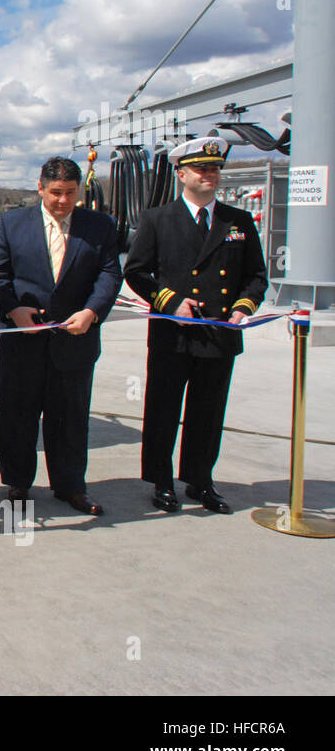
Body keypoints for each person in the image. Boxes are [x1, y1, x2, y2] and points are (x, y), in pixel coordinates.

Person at [123, 136, 268, 514]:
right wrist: (170, 300)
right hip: (175, 332)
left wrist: (241, 307)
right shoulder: (158, 220)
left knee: (208, 411)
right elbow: (136, 272)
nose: (210, 175)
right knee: (163, 409)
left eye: (215, 169)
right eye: (203, 169)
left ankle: (200, 480)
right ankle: (161, 480)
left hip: (219, 333)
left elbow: (256, 275)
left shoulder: (238, 220)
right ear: (181, 173)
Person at [0, 156, 121, 515]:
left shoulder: (100, 227)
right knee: (17, 416)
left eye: (70, 193)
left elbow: (109, 275)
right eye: (55, 193)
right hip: (22, 340)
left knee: (70, 418)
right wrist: (13, 310)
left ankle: (70, 486)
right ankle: (17, 483)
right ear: (40, 188)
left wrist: (92, 312)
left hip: (74, 340)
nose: (63, 201)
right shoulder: (11, 224)